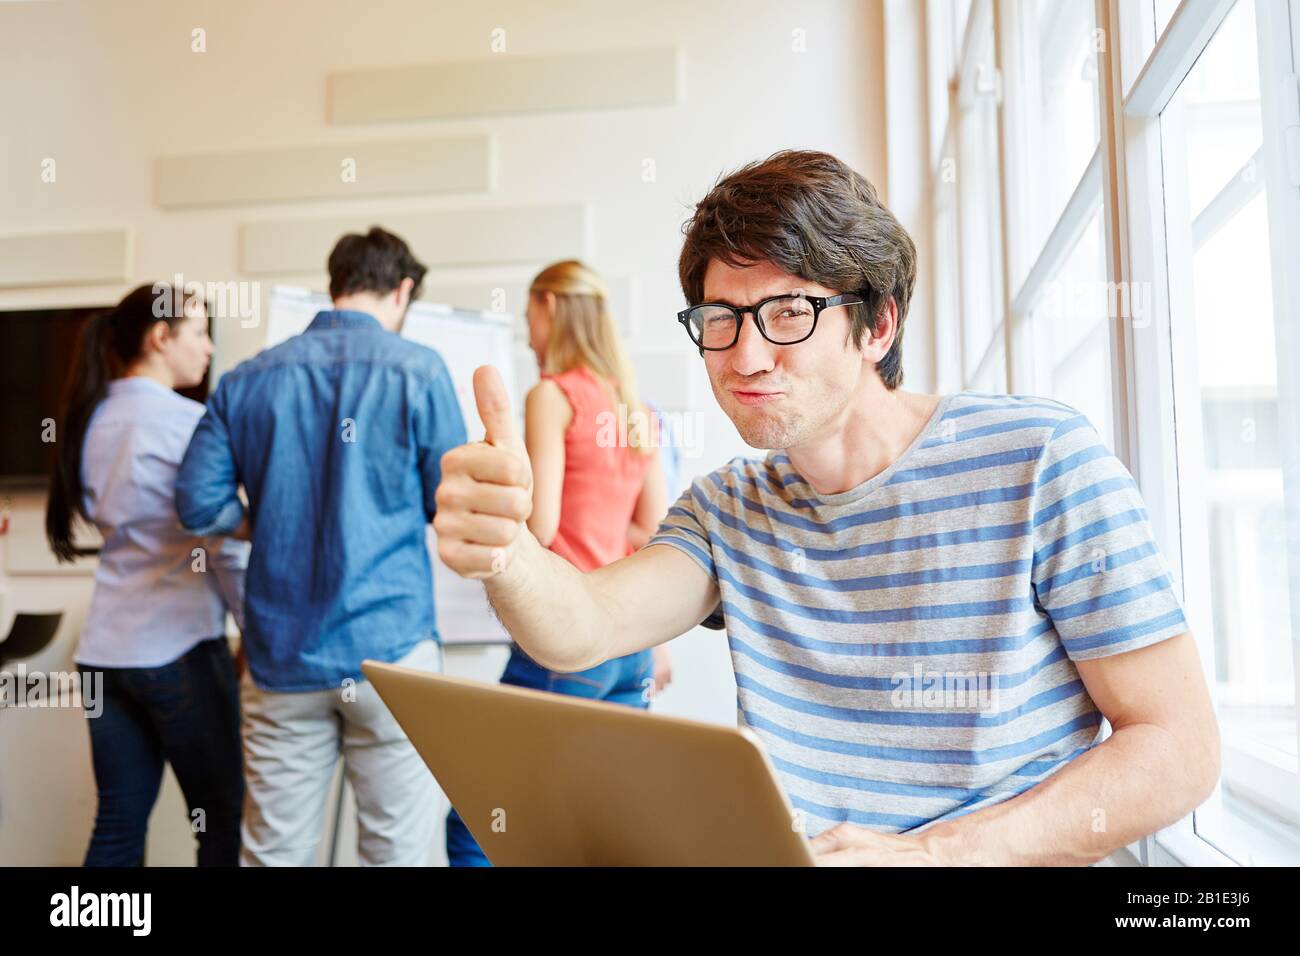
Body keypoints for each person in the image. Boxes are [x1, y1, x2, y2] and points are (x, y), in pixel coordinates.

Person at [432, 150, 1221, 866]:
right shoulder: (729, 508)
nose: (744, 356)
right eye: (720, 320)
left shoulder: (1040, 458)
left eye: (787, 313)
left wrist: (938, 855)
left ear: (877, 324)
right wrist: (508, 552)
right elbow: (583, 628)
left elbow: (1179, 747)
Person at [175, 227, 468, 866]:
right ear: (403, 290)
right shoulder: (419, 369)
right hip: (392, 654)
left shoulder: (247, 379)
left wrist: (263, 520)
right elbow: (448, 501)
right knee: (401, 856)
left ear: (335, 284)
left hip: (282, 656)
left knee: (272, 855)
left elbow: (198, 504)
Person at [444, 260, 669, 866]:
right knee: (589, 822)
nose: (528, 332)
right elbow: (652, 530)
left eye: (527, 318)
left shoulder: (553, 394)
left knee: (476, 819)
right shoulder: (634, 408)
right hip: (630, 646)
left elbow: (539, 526)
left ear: (549, 307)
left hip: (568, 632)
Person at [45, 283, 248, 867]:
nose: (208, 349)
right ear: (161, 337)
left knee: (117, 822)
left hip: (105, 653)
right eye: (199, 332)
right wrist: (256, 634)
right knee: (221, 822)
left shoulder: (87, 416)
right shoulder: (191, 423)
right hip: (179, 648)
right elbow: (224, 545)